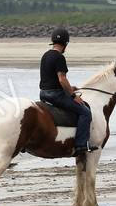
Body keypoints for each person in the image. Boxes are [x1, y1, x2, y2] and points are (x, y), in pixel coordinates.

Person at [39, 28, 92, 158]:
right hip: (55, 95)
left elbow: (51, 79)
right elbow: (62, 79)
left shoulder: (45, 55)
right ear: (65, 44)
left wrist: (70, 87)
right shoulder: (59, 57)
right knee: (85, 112)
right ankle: (80, 145)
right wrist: (73, 96)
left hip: (43, 93)